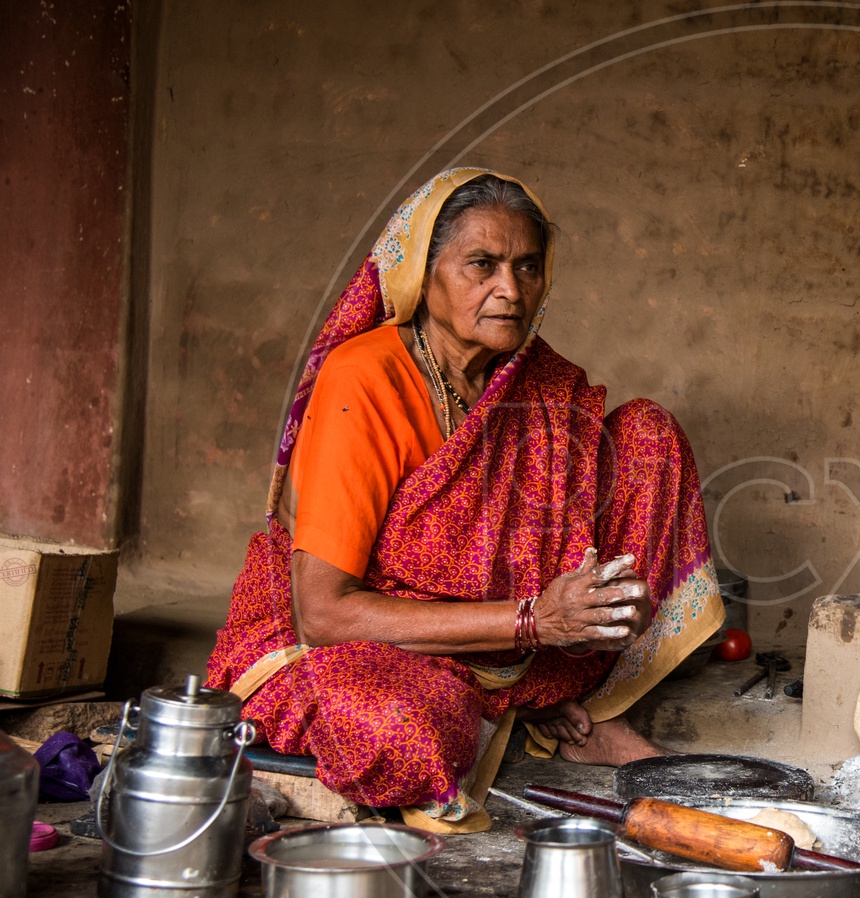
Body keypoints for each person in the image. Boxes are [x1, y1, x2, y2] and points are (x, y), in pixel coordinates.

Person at [206, 168, 724, 830]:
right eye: (482, 265)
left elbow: (561, 541)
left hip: (507, 640)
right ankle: (496, 712)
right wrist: (537, 622)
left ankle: (587, 716)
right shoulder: (362, 381)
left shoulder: (536, 382)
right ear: (425, 276)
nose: (510, 290)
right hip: (337, 644)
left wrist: (609, 600)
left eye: (527, 267)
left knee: (647, 438)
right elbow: (323, 615)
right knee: (412, 727)